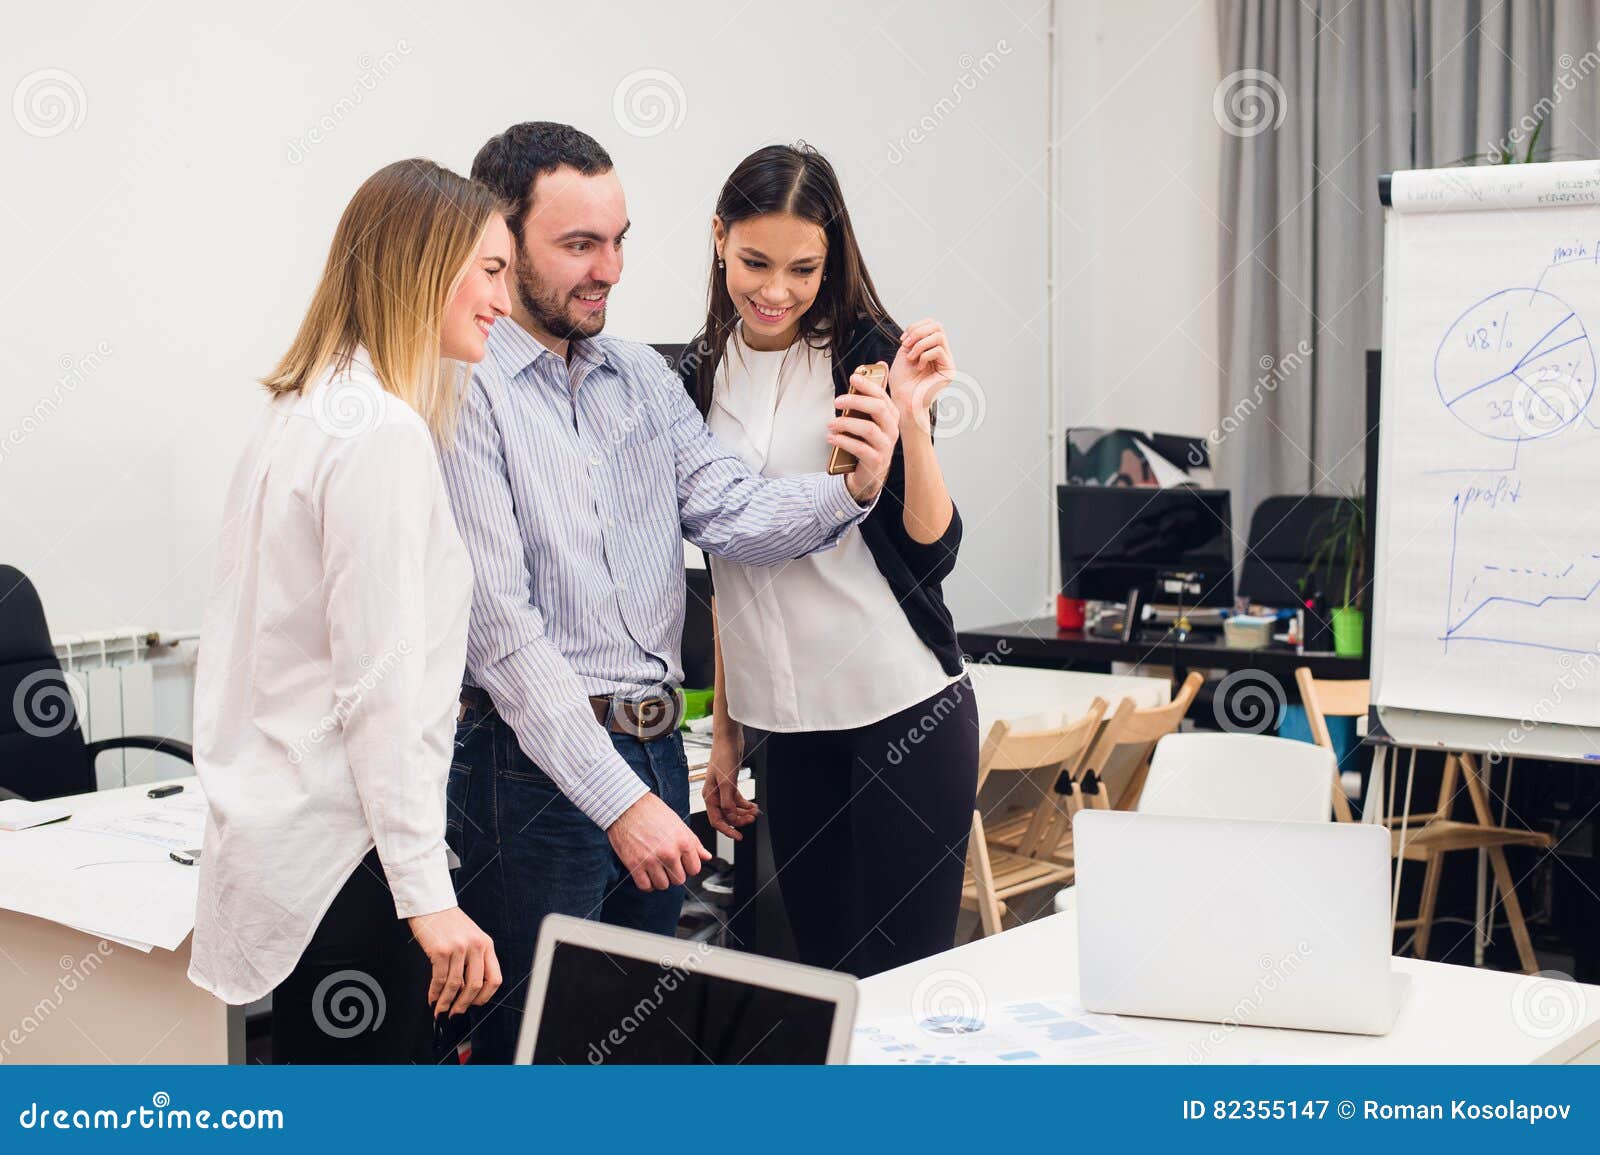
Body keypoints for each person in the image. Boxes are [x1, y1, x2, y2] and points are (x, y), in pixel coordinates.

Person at [438, 122, 901, 1063]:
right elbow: (507, 641)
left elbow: (728, 508)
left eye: (618, 240)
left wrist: (851, 489)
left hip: (651, 757)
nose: (608, 269)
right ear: (499, 241)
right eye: (578, 245)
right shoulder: (465, 390)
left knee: (640, 1053)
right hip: (526, 774)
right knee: (537, 1054)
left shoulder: (642, 377)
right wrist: (620, 802)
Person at [189, 158, 511, 1063]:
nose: (502, 299)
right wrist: (427, 893)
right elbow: (382, 693)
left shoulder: (302, 411)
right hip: (350, 864)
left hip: (293, 848)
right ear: (424, 263)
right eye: (489, 270)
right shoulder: (380, 435)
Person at [684, 143, 978, 978]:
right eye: (754, 262)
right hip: (788, 727)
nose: (776, 290)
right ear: (718, 239)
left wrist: (912, 423)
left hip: (902, 709)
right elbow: (727, 566)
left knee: (900, 986)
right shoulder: (698, 376)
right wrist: (727, 740)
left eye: (803, 268)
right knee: (817, 985)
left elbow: (932, 548)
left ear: (832, 257)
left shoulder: (867, 354)